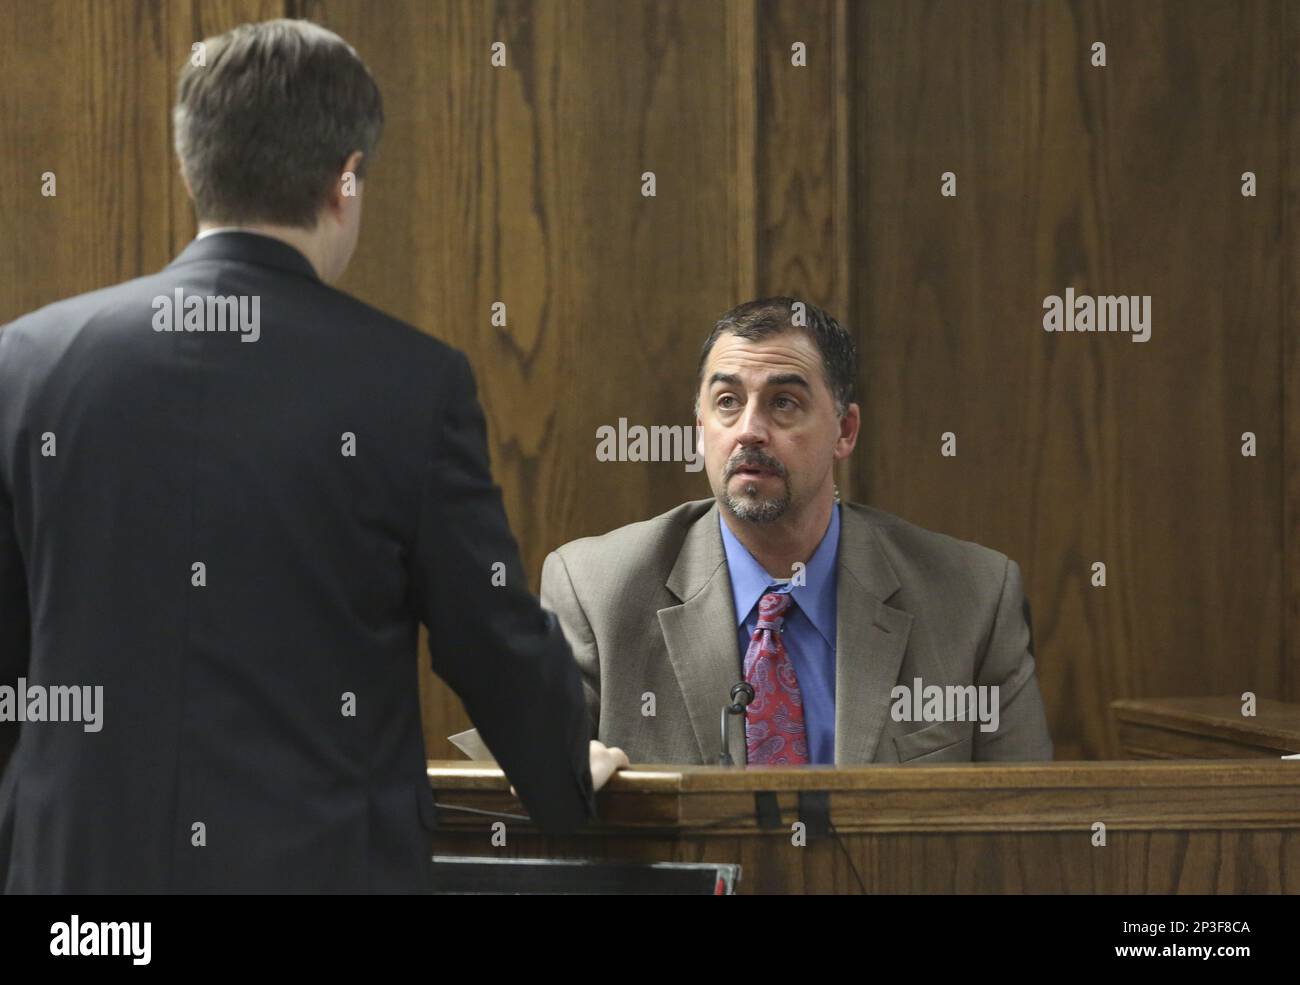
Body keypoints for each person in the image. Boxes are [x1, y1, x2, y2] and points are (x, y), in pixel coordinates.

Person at [0, 18, 625, 893]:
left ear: (192, 169)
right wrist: (563, 773)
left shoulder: (25, 365)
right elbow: (486, 634)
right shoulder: (412, 384)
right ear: (347, 181)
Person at [540, 297, 1053, 766]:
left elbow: (1027, 826)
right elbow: (510, 780)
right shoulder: (596, 590)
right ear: (700, 430)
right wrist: (544, 773)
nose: (749, 430)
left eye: (783, 402)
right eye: (727, 401)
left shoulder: (973, 598)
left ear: (844, 431)